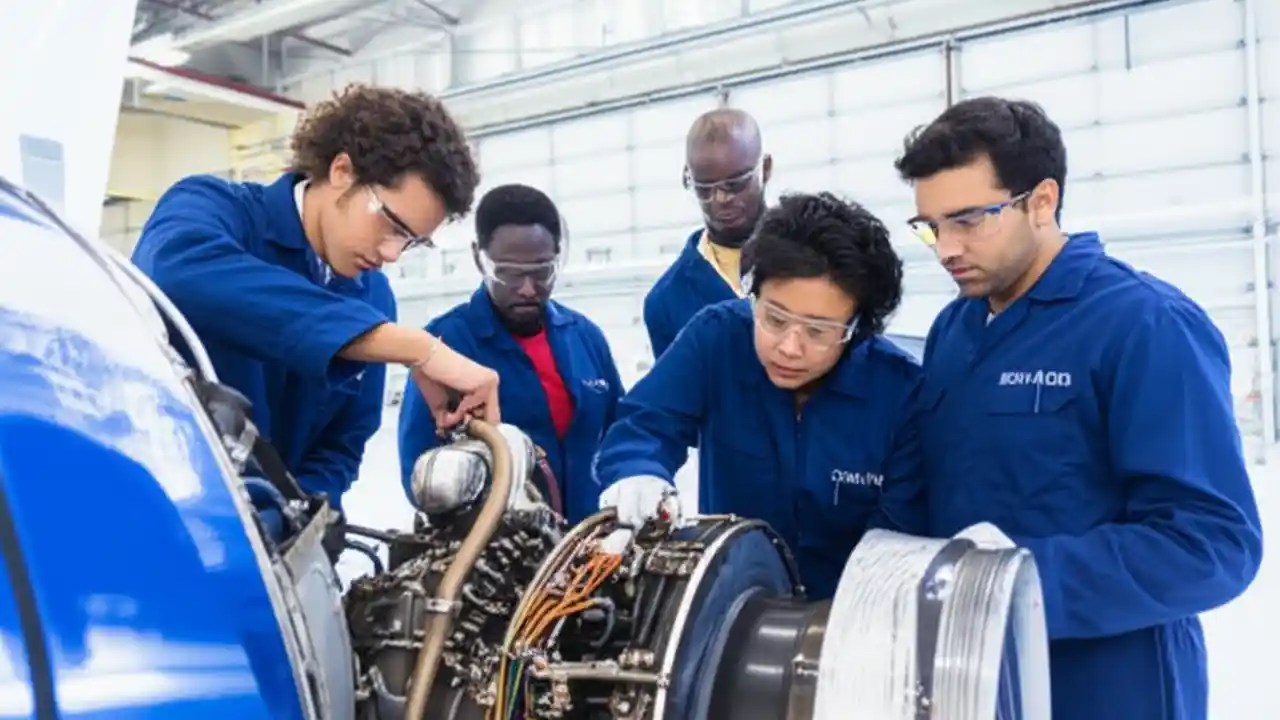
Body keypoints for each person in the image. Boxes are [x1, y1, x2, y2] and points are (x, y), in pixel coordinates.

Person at [894, 96, 1263, 720]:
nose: (944, 248)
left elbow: (1213, 543)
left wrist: (1018, 584)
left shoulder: (1144, 325)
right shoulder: (955, 331)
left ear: (1042, 201)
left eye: (968, 220)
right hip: (978, 678)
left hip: (1111, 684)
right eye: (930, 225)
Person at [131, 84, 500, 514]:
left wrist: (301, 515)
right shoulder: (214, 209)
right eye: (393, 226)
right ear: (342, 170)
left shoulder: (375, 300)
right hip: (162, 513)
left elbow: (343, 444)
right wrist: (416, 348)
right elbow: (176, 272)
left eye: (412, 242)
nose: (391, 255)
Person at [595, 192, 922, 600]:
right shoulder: (717, 338)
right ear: (753, 293)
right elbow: (644, 425)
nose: (789, 347)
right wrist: (637, 472)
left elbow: (898, 537)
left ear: (858, 328)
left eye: (818, 331)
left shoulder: (900, 392)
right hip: (731, 604)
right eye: (774, 318)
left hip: (848, 615)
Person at [398, 184, 623, 523]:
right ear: (479, 258)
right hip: (499, 555)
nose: (528, 289)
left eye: (542, 271)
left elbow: (622, 432)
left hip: (588, 546)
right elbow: (418, 473)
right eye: (509, 274)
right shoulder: (444, 345)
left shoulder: (584, 337)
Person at [642, 108, 772, 359]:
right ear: (686, 178)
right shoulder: (666, 302)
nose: (721, 199)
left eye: (735, 185)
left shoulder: (817, 255)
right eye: (704, 189)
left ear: (765, 169)